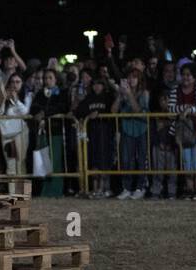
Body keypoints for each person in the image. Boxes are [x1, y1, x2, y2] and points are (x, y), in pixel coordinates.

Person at [169, 65, 196, 200]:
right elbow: (171, 108)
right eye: (183, 74)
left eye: (188, 75)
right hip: (182, 132)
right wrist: (187, 107)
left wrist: (189, 111)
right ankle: (189, 189)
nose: (185, 77)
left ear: (194, 77)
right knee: (187, 162)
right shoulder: (175, 90)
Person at [29, 68, 69, 197]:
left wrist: (44, 113)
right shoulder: (41, 93)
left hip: (56, 131)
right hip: (43, 132)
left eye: (50, 78)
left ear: (56, 79)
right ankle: (44, 190)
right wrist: (39, 113)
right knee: (44, 161)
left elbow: (62, 107)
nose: (47, 80)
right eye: (45, 78)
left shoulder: (62, 92)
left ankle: (56, 190)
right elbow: (33, 107)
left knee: (55, 161)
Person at [75, 76, 114, 197]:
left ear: (104, 86)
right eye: (94, 84)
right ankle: (95, 187)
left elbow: (113, 111)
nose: (97, 86)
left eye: (99, 84)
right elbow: (79, 111)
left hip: (105, 133)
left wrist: (100, 113)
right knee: (93, 159)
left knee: (104, 159)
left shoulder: (108, 97)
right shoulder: (88, 98)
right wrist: (89, 114)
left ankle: (104, 187)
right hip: (92, 132)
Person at [113, 70, 149, 198]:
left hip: (141, 130)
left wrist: (129, 95)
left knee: (141, 159)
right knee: (126, 160)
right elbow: (113, 111)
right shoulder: (123, 94)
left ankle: (140, 187)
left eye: (135, 77)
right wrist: (119, 95)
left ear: (140, 80)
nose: (131, 80)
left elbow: (138, 110)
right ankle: (126, 188)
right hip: (127, 130)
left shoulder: (144, 93)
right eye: (129, 77)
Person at [0, 73, 30, 193]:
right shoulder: (4, 97)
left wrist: (16, 100)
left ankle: (22, 192)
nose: (15, 85)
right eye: (12, 82)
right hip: (7, 134)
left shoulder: (26, 96)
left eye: (18, 82)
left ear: (22, 83)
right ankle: (12, 193)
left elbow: (25, 112)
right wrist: (3, 99)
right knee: (10, 163)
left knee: (21, 162)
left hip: (21, 132)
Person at [149, 88, 179, 199]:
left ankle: (172, 192)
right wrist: (157, 143)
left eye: (167, 100)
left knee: (172, 172)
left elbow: (177, 132)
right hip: (158, 146)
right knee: (158, 171)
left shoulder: (175, 114)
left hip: (172, 147)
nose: (165, 102)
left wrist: (173, 144)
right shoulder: (155, 114)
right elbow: (153, 131)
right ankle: (156, 191)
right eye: (162, 100)